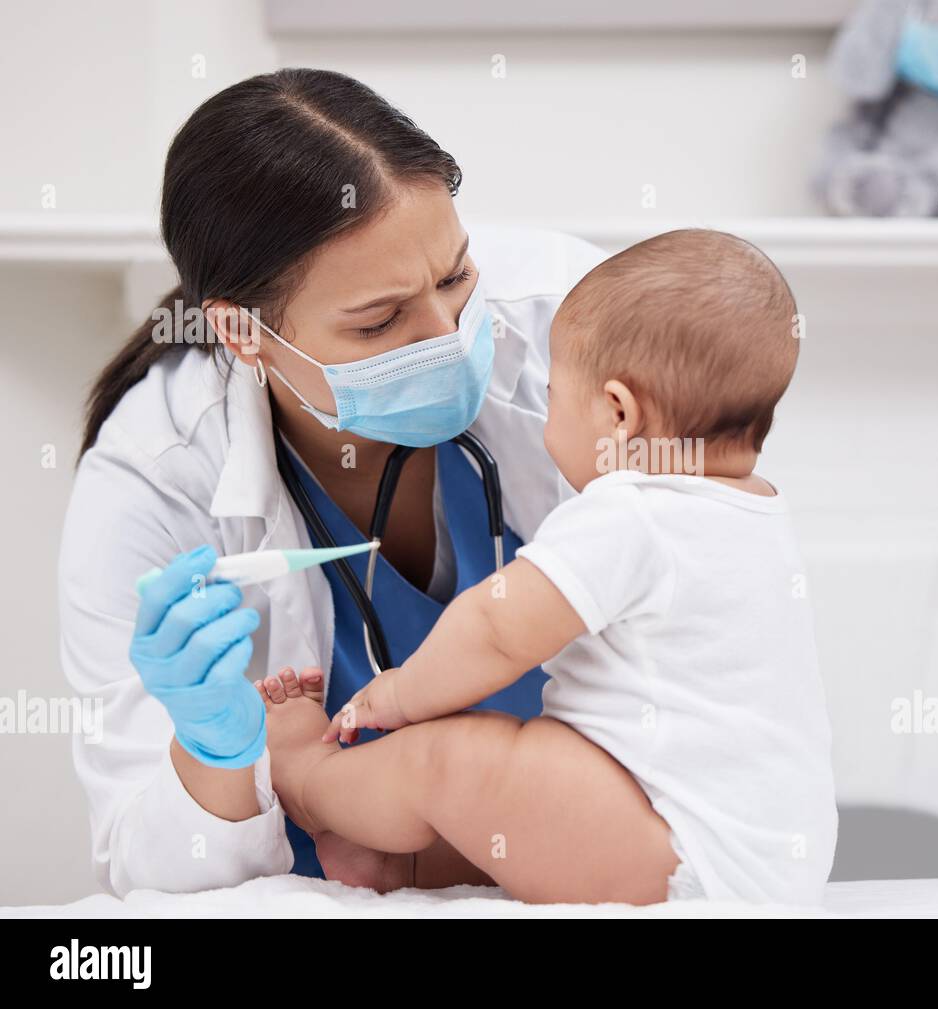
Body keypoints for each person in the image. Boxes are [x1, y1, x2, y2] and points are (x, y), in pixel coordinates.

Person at [60, 68, 604, 895]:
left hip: (576, 870)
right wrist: (214, 753)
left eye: (457, 277)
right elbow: (146, 869)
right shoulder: (153, 478)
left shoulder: (582, 329)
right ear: (241, 332)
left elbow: (720, 640)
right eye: (380, 320)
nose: (449, 336)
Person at [256, 230, 839, 904]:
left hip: (675, 846)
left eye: (557, 395)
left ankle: (308, 779)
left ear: (618, 412)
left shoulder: (635, 510)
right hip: (759, 854)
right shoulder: (758, 515)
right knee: (529, 784)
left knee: (464, 758)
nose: (543, 419)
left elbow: (500, 628)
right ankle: (401, 867)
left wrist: (398, 694)